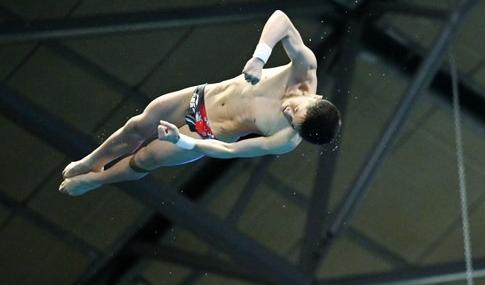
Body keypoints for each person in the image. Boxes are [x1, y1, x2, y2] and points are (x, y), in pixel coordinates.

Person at [59, 10, 340, 197]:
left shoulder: (285, 140)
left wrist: (182, 141)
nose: (287, 113)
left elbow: (229, 150)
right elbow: (281, 20)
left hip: (204, 133)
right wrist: (259, 57)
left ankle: (96, 181)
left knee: (146, 159)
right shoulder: (304, 67)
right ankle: (91, 162)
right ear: (315, 97)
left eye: (292, 122)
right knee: (137, 126)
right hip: (202, 95)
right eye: (296, 110)